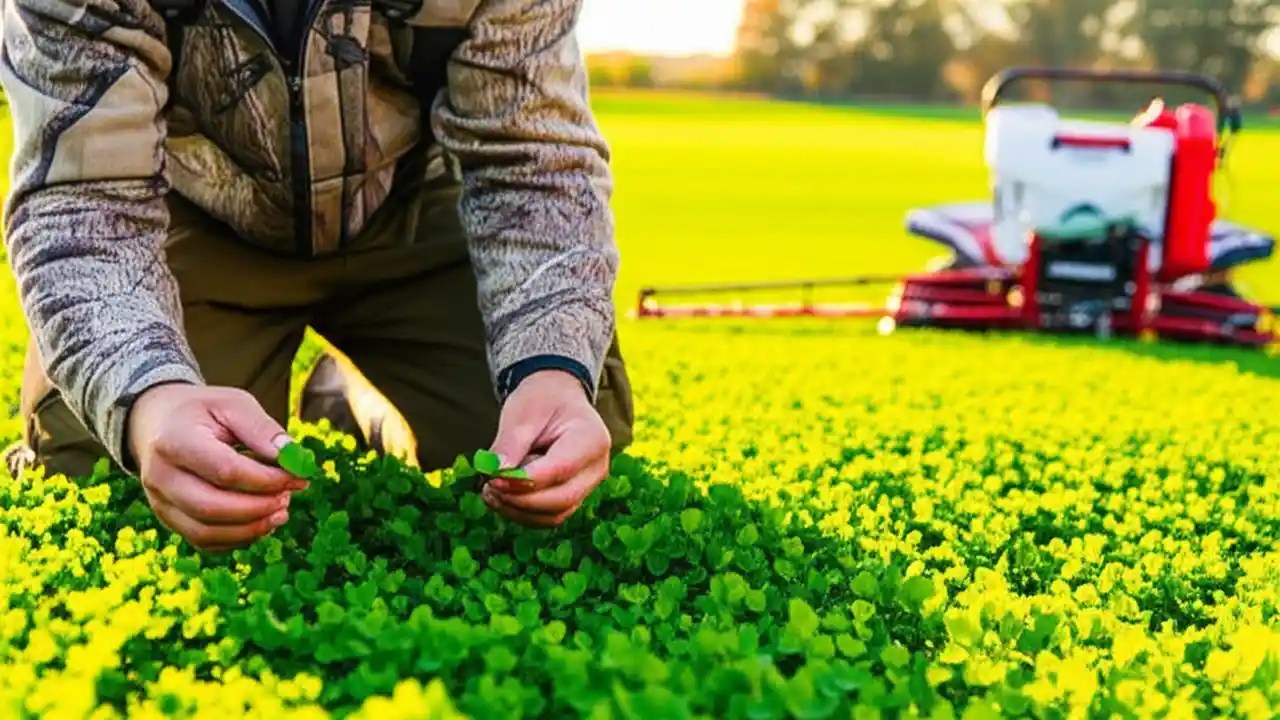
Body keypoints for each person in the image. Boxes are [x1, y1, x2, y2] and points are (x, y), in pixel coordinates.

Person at [0, 0, 635, 551]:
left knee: (549, 464)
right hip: (192, 214)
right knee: (116, 474)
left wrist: (549, 369)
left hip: (408, 205)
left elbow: (529, 162)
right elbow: (80, 200)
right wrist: (149, 400)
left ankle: (358, 400)